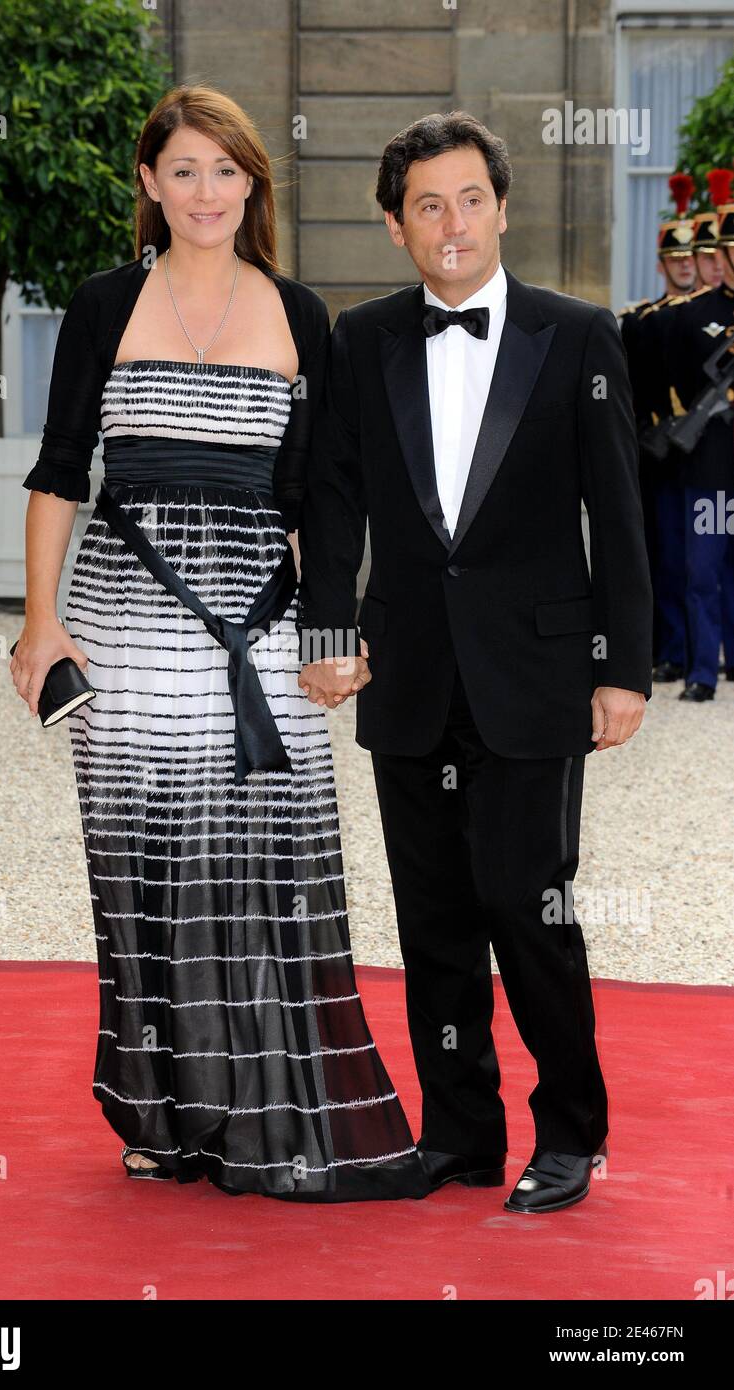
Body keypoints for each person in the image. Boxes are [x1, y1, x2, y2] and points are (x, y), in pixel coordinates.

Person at [10, 84, 431, 1203]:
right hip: (126, 628)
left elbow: (319, 496)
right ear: (149, 183)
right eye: (184, 170)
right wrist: (38, 622)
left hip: (260, 625)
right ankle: (160, 1113)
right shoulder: (102, 305)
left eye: (227, 170)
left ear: (254, 183)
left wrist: (332, 628)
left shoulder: (302, 314)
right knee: (140, 868)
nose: (207, 191)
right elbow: (61, 471)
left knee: (268, 869)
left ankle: (265, 1115)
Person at [296, 110, 653, 1214]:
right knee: (434, 917)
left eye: (468, 200)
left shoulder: (579, 334)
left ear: (502, 208)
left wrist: (624, 667)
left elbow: (619, 511)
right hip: (408, 675)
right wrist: (324, 630)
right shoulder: (361, 341)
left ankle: (571, 1133)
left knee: (526, 903)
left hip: (535, 678)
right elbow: (334, 496)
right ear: (395, 226)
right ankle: (455, 1134)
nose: (450, 224)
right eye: (425, 206)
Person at [659, 172, 734, 702]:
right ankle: (703, 671)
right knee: (703, 571)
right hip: (712, 470)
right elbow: (677, 394)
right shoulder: (694, 317)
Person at [618, 175, 695, 683]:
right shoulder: (641, 320)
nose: (687, 266)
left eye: (693, 259)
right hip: (654, 447)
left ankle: (694, 649)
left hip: (702, 447)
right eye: (679, 260)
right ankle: (660, 647)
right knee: (654, 553)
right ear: (662, 264)